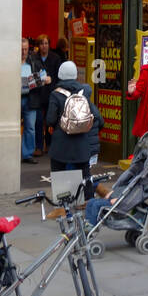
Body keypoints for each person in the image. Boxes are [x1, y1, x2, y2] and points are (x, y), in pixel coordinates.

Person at [46, 61, 103, 198]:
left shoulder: (56, 94)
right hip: (81, 143)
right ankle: (88, 201)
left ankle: (63, 202)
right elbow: (95, 116)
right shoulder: (83, 93)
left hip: (61, 144)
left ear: (60, 74)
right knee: (85, 174)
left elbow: (50, 119)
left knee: (59, 172)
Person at [26, 35, 60, 159]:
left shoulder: (55, 58)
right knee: (38, 121)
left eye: (46, 43)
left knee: (50, 120)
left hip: (51, 93)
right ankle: (39, 146)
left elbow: (58, 76)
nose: (44, 46)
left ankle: (50, 145)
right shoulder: (33, 58)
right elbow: (29, 77)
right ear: (38, 46)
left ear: (49, 44)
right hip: (38, 94)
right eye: (41, 43)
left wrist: (54, 82)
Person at [19, 37, 39, 163]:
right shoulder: (12, 62)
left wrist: (44, 78)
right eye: (21, 49)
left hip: (30, 98)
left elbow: (40, 76)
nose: (24, 52)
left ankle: (27, 154)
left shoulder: (32, 61)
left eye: (26, 49)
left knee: (30, 127)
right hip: (16, 98)